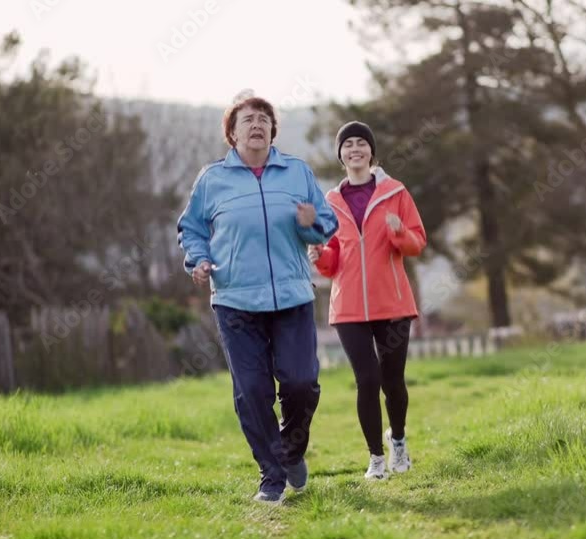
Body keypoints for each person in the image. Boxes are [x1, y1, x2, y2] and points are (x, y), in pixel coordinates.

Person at [177, 93, 338, 504]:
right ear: (232, 133)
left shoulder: (296, 173)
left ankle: (290, 451)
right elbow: (191, 229)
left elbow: (325, 224)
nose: (257, 124)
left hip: (292, 296)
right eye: (248, 119)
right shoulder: (212, 180)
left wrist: (311, 224)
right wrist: (199, 259)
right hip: (235, 300)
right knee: (252, 389)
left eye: (264, 119)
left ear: (273, 131)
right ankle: (272, 475)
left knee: (301, 382)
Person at [309, 121, 427, 480]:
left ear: (371, 151)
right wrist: (320, 257)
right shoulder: (330, 202)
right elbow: (332, 260)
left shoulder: (395, 193)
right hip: (348, 308)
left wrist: (399, 233)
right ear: (341, 155)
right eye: (348, 145)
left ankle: (399, 441)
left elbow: (417, 243)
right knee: (367, 379)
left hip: (392, 304)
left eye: (361, 143)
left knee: (393, 381)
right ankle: (376, 458)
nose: (355, 149)